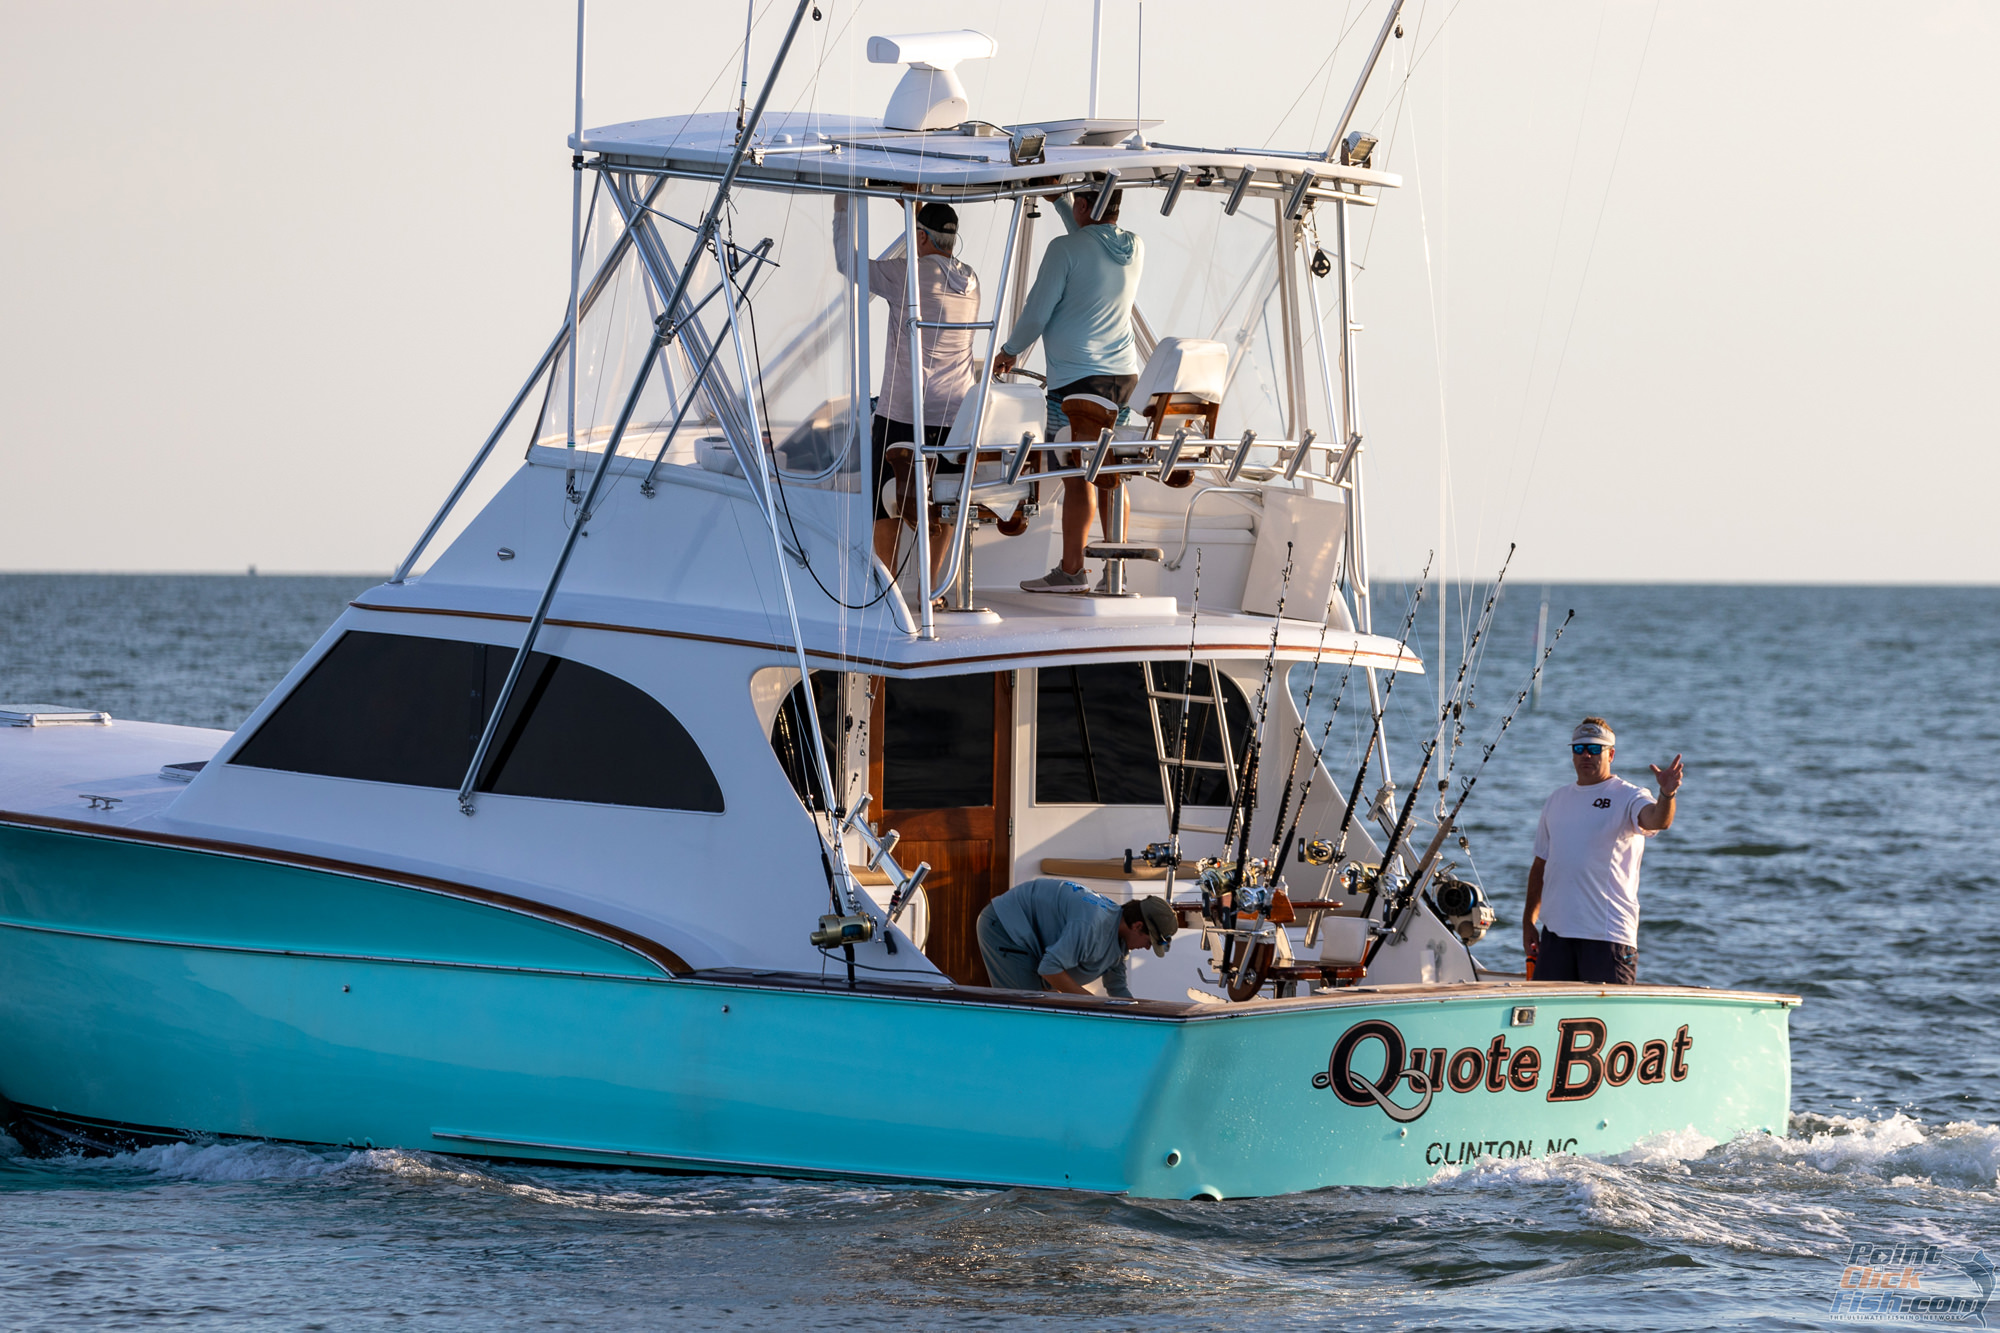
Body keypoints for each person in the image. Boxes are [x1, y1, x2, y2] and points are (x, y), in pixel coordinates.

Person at [990, 181, 1145, 594]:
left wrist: (1008, 351)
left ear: (1084, 205)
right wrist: (1062, 203)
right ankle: (1116, 570)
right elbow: (1089, 246)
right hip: (1123, 381)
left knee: (1078, 474)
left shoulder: (1064, 249)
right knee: (1112, 470)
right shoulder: (1134, 247)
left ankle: (1072, 571)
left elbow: (1037, 311)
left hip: (1075, 384)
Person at [833, 195, 981, 590]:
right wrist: (914, 211)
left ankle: (888, 592)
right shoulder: (971, 280)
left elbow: (847, 262)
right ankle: (930, 590)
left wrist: (842, 208)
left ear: (919, 236)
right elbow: (930, 253)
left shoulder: (908, 276)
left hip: (904, 412)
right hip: (955, 416)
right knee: (942, 505)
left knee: (887, 504)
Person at [1521, 717, 1683, 985]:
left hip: (1607, 938)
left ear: (1611, 754)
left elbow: (1658, 820)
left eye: (1595, 749)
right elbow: (1540, 865)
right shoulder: (1556, 799)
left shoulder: (1629, 795)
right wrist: (1529, 921)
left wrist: (1666, 794)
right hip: (1555, 937)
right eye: (1579, 748)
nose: (1586, 754)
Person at [977, 878, 1177, 997]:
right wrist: (1093, 1004)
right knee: (1027, 1014)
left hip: (1030, 937)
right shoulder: (1092, 925)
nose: (1148, 948)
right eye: (1149, 942)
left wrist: (1136, 1018)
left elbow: (1117, 988)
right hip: (1005, 926)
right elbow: (1049, 969)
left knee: (1041, 1006)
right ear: (1137, 926)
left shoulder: (1119, 937)